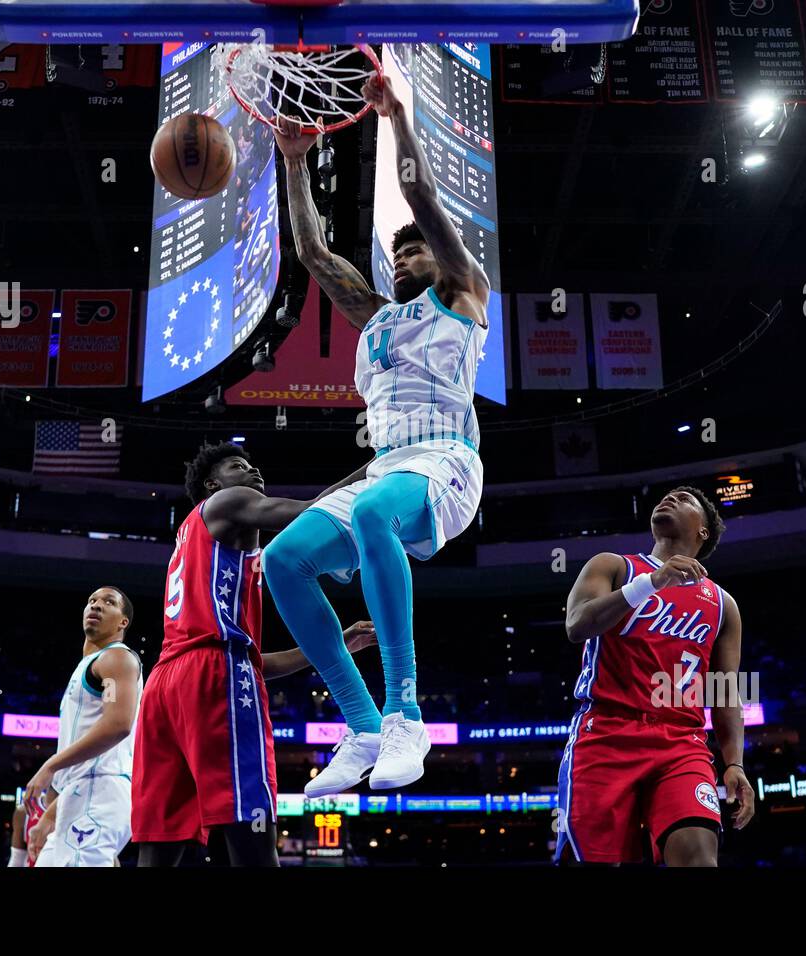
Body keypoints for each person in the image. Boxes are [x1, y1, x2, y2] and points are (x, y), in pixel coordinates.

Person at [262, 73, 490, 796]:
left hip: (449, 462)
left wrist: (394, 117)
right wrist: (295, 160)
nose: (402, 257)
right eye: (396, 253)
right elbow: (313, 256)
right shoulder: (378, 316)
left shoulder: (463, 291)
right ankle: (361, 727)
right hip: (389, 465)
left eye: (412, 251)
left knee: (368, 511)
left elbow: (422, 198)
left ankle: (406, 713)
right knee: (283, 559)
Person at [131, 442, 376, 867]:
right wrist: (375, 468)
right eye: (238, 465)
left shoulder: (191, 535)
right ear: (213, 483)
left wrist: (330, 647)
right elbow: (312, 510)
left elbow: (255, 663)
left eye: (252, 464)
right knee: (251, 823)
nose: (253, 470)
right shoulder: (228, 501)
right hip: (212, 673)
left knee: (161, 843)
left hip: (166, 684)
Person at [557, 488, 755, 866]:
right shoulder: (614, 567)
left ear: (702, 532)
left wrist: (734, 763)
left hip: (682, 742)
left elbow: (726, 692)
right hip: (606, 733)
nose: (669, 498)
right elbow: (577, 626)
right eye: (667, 495)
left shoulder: (722, 604)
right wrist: (651, 583)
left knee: (698, 856)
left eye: (683, 499)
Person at [23, 586, 143, 867]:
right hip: (78, 796)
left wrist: (50, 765)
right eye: (92, 601)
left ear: (123, 622)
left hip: (102, 792)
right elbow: (83, 767)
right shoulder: (88, 665)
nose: (97, 605)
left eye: (108, 602)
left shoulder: (116, 659)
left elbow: (117, 724)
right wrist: (50, 816)